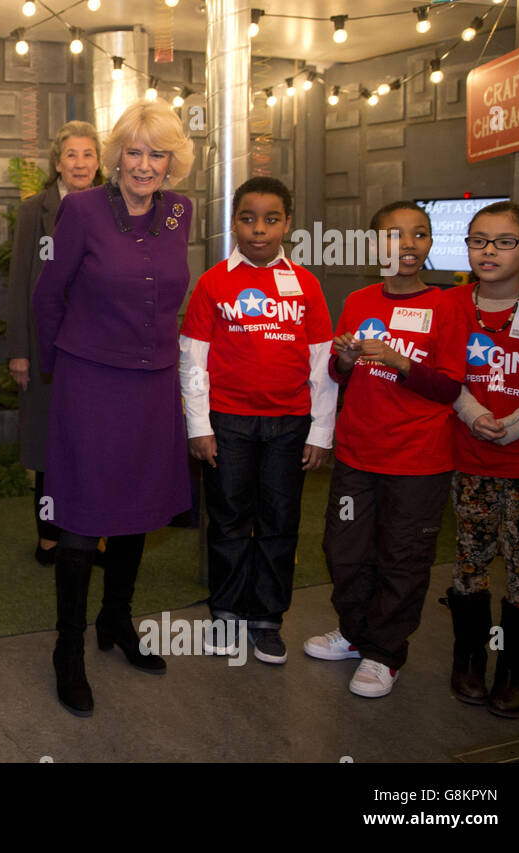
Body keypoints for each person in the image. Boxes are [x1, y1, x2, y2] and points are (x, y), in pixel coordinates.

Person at [32, 100, 195, 715]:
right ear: (115, 155)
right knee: (80, 516)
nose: (145, 165)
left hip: (153, 385)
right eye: (134, 151)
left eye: (158, 154)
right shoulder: (80, 209)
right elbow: (48, 298)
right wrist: (59, 371)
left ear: (173, 161)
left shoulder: (180, 211)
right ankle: (67, 650)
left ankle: (116, 622)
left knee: (137, 507)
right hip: (91, 383)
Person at [304, 201, 466, 698]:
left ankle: (385, 653)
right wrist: (346, 359)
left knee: (403, 557)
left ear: (431, 243)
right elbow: (337, 374)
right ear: (375, 244)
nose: (408, 245)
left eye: (419, 234)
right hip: (357, 454)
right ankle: (355, 634)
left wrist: (399, 361)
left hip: (418, 460)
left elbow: (450, 388)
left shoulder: (449, 305)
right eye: (394, 235)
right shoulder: (357, 299)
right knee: (344, 550)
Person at [178, 176, 335, 665]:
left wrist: (321, 431)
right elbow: (193, 358)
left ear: (288, 223)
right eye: (248, 219)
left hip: (290, 425)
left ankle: (267, 618)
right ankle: (225, 612)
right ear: (234, 224)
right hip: (229, 423)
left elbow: (322, 361)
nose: (259, 230)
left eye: (271, 219)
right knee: (227, 520)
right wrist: (198, 426)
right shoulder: (213, 282)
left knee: (280, 522)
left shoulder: (306, 283)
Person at [445, 201, 519, 718]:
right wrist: (475, 413)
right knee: (470, 566)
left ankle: (514, 671)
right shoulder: (451, 305)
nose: (489, 251)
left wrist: (513, 426)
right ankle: (468, 661)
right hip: (469, 461)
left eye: (505, 241)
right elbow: (443, 375)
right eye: (479, 240)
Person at [6, 121, 102, 566]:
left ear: (98, 162)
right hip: (47, 349)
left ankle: (93, 536)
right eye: (72, 155)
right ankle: (49, 538)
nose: (80, 163)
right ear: (57, 162)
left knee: (94, 443)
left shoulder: (115, 207)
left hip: (99, 348)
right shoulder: (34, 211)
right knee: (47, 444)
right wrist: (19, 351)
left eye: (88, 154)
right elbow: (21, 283)